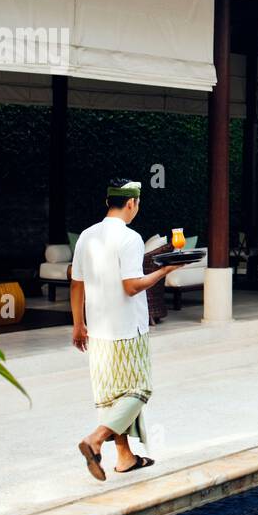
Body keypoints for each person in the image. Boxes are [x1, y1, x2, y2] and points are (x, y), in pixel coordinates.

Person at [72, 179, 182, 481]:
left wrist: (78, 324)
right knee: (138, 390)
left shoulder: (86, 236)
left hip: (97, 330)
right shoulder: (130, 238)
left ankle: (125, 458)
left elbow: (76, 284)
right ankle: (95, 439)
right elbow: (132, 286)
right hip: (127, 330)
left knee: (112, 397)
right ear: (131, 203)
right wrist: (164, 271)